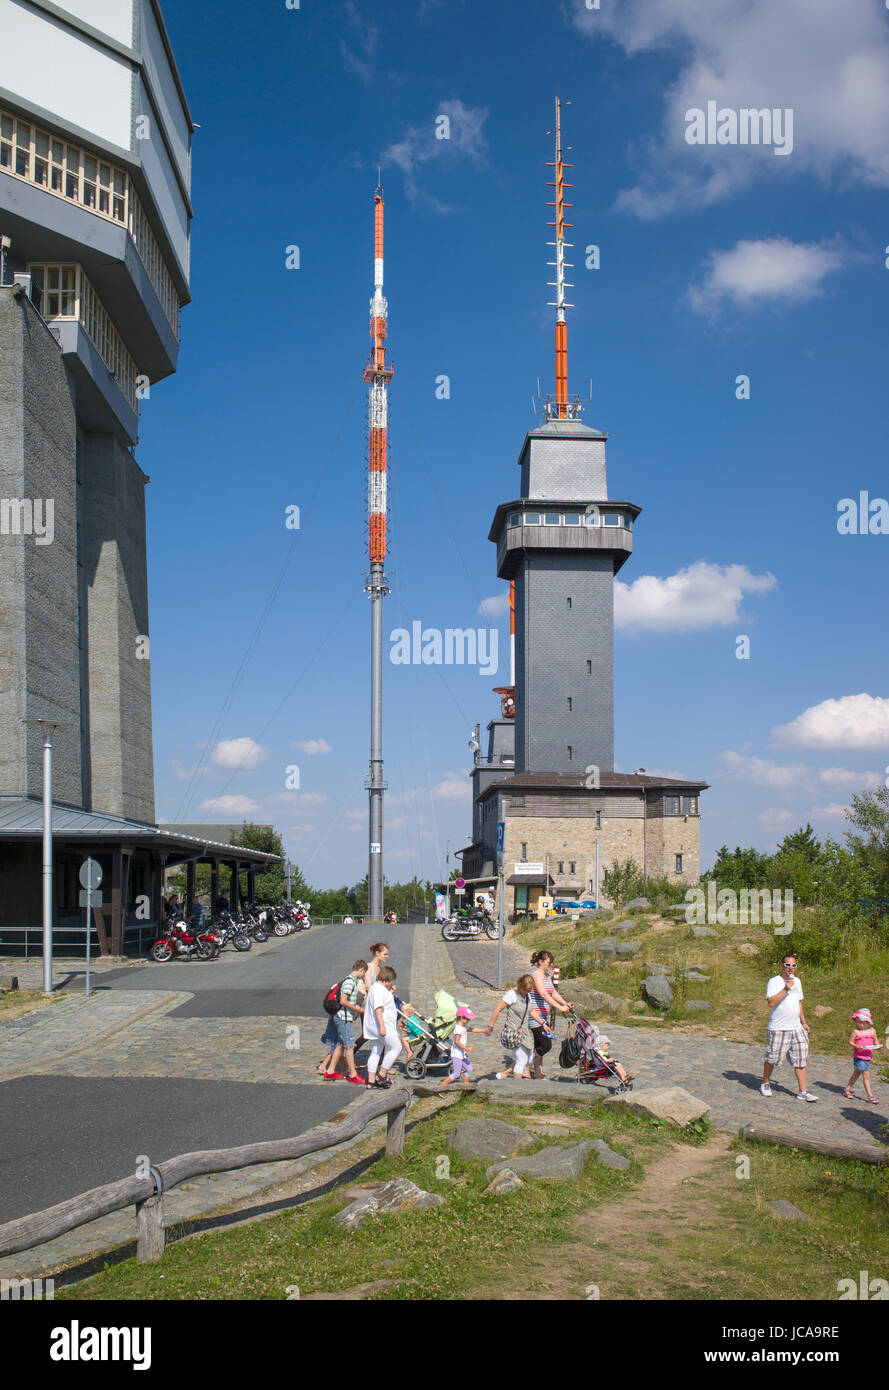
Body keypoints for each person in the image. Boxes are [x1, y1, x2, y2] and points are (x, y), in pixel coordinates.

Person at [760, 953, 817, 1101]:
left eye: (793, 965)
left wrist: (804, 1022)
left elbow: (799, 1002)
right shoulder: (774, 981)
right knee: (772, 1057)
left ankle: (802, 1091)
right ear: (782, 966)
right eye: (788, 965)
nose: (790, 968)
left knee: (801, 1059)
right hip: (778, 1027)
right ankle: (766, 1082)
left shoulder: (797, 981)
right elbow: (771, 1003)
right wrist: (785, 988)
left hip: (796, 1028)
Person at [484, 974, 546, 1080]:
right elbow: (498, 1009)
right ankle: (516, 1086)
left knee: (528, 1058)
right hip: (513, 1032)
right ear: (520, 985)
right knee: (521, 1060)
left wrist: (543, 1023)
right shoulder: (511, 995)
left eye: (529, 990)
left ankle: (506, 1074)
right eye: (526, 990)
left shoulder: (527, 995)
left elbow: (531, 1011)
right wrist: (490, 1026)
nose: (527, 992)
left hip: (524, 1033)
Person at [319, 961, 368, 1083]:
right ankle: (352, 1074)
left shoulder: (349, 980)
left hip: (342, 1017)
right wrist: (359, 1009)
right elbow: (343, 1001)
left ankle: (330, 1072)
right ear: (361, 970)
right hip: (344, 1017)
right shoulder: (350, 982)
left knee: (340, 1044)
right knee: (350, 1046)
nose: (363, 977)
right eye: (363, 973)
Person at [529, 950, 572, 1077]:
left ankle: (539, 1074)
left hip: (543, 1015)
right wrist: (559, 1007)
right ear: (541, 962)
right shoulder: (536, 975)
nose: (551, 965)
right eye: (549, 963)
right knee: (545, 1045)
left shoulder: (547, 976)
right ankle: (522, 1066)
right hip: (534, 1015)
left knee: (538, 1045)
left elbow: (553, 993)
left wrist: (565, 1004)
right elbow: (543, 994)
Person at [364, 964, 401, 1089]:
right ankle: (382, 1074)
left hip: (373, 1028)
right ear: (388, 980)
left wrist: (390, 992)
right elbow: (378, 1009)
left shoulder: (375, 988)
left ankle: (370, 1080)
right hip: (382, 1026)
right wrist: (382, 1027)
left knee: (376, 1051)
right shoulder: (379, 990)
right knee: (396, 1047)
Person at [844, 1008, 882, 1103]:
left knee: (856, 1073)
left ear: (867, 1022)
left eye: (861, 1022)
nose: (859, 1024)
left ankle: (847, 1089)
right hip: (859, 1056)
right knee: (866, 1074)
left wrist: (878, 1046)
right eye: (857, 1022)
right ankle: (870, 1095)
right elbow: (850, 1042)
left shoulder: (872, 1031)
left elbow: (875, 1040)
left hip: (868, 1056)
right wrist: (856, 1046)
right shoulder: (856, 1032)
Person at [440, 1006, 482, 1087]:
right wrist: (467, 1048)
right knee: (456, 1074)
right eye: (468, 1019)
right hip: (457, 1055)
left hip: (462, 1054)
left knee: (469, 1069)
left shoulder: (463, 1026)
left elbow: (473, 1029)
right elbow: (456, 1041)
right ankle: (440, 1087)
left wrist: (484, 1030)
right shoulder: (458, 1029)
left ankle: (465, 1087)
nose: (469, 1020)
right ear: (462, 1018)